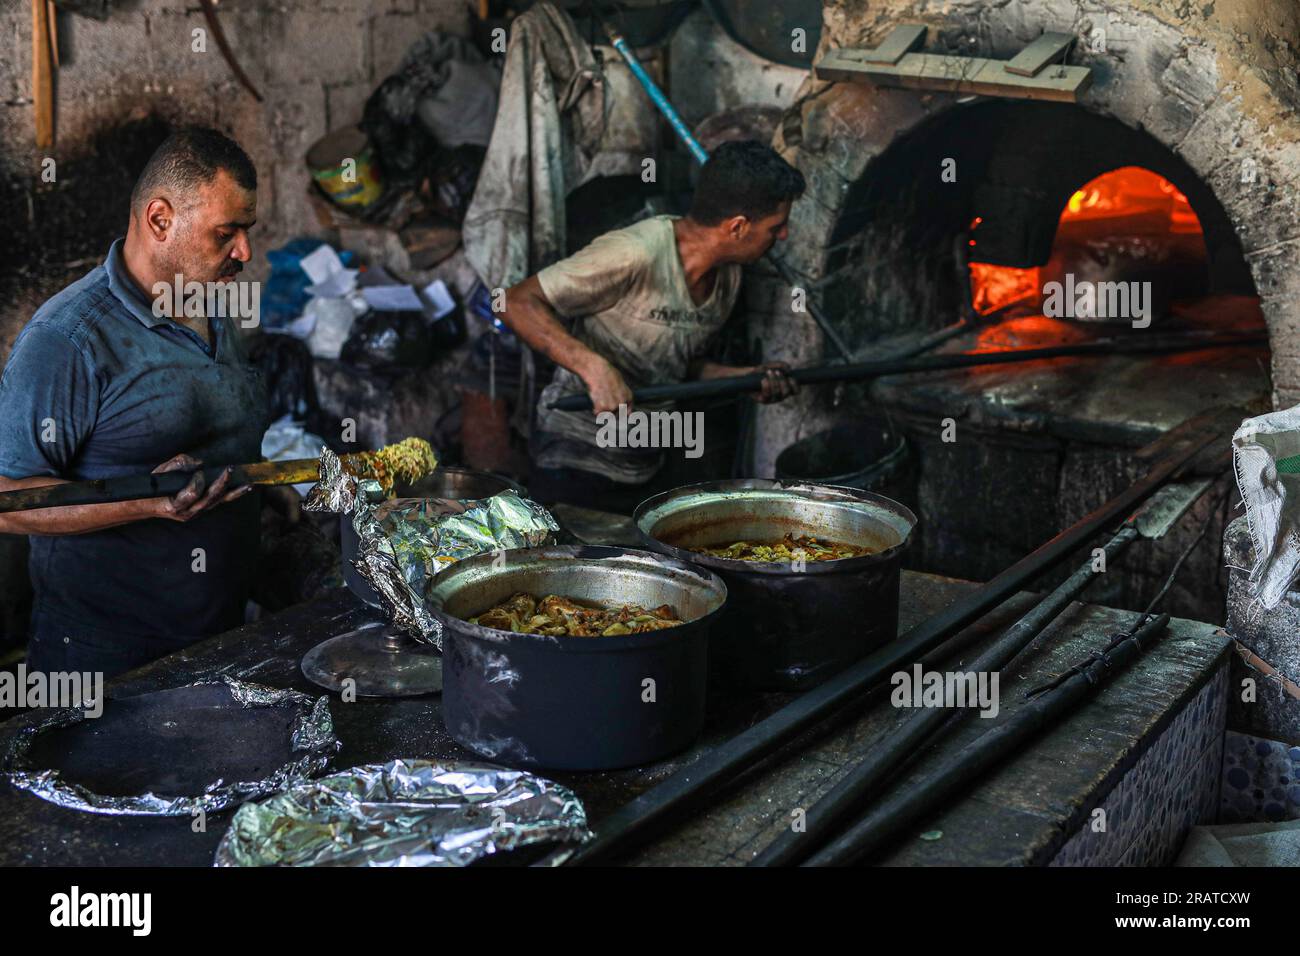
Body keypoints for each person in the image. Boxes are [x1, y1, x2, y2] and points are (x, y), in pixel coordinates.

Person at [0, 126, 269, 677]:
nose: (244, 250)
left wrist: (259, 491)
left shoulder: (215, 302)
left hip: (221, 632)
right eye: (227, 232)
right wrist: (145, 502)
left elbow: (224, 438)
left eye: (247, 230)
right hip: (103, 657)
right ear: (160, 220)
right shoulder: (68, 340)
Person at [501, 140, 804, 510]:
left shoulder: (729, 279)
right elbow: (513, 302)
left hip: (647, 457)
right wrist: (595, 370)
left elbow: (677, 365)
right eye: (777, 227)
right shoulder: (635, 252)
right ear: (738, 226)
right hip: (575, 457)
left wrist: (746, 376)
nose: (784, 235)